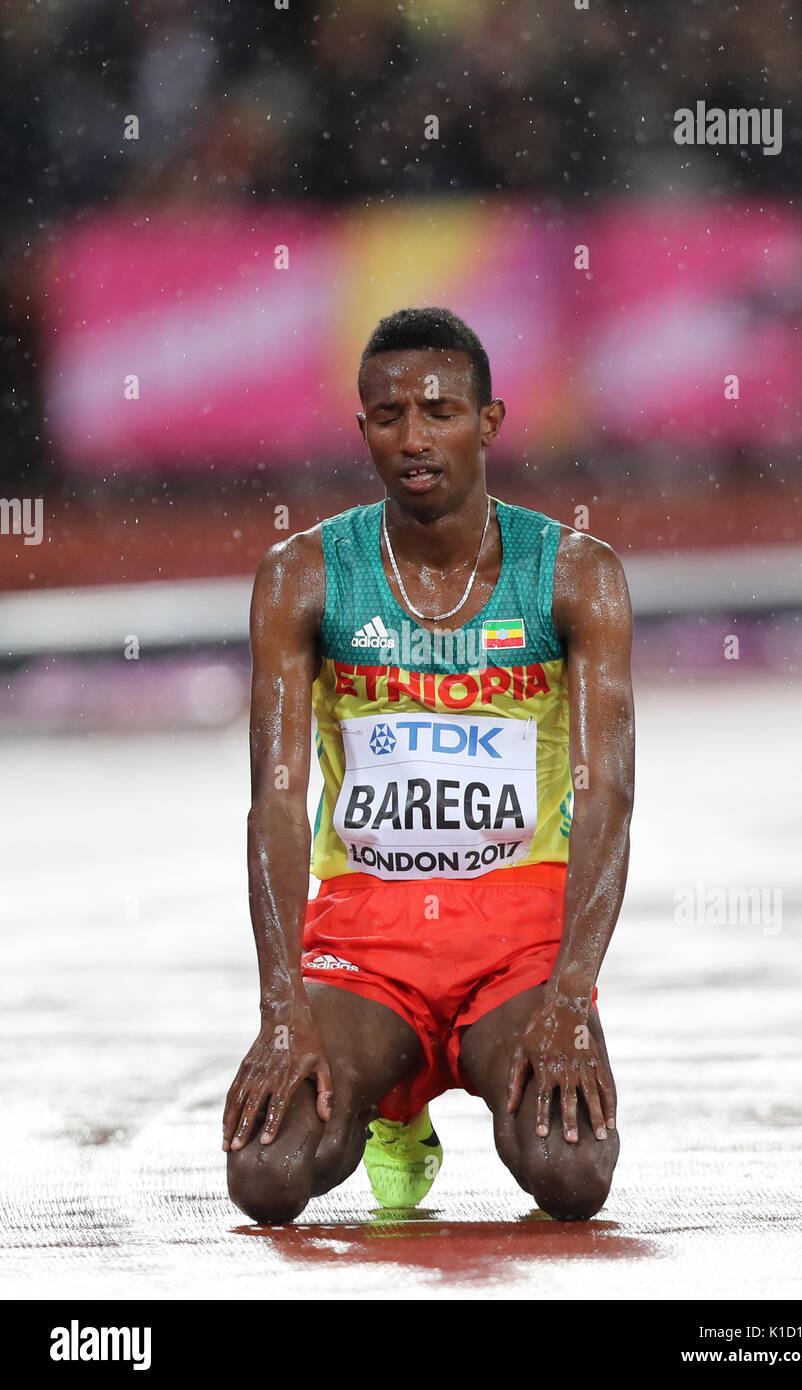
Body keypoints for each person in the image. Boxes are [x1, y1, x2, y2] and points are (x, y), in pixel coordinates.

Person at [223, 306, 634, 1223]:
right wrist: (283, 1007)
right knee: (268, 1173)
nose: (413, 438)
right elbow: (277, 805)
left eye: (441, 412)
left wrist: (571, 994)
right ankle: (390, 1107)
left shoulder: (574, 574)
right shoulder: (303, 576)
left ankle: (437, 1078)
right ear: (361, 426)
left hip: (521, 934)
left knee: (573, 1173)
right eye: (387, 416)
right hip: (368, 938)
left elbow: (610, 795)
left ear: (489, 421)